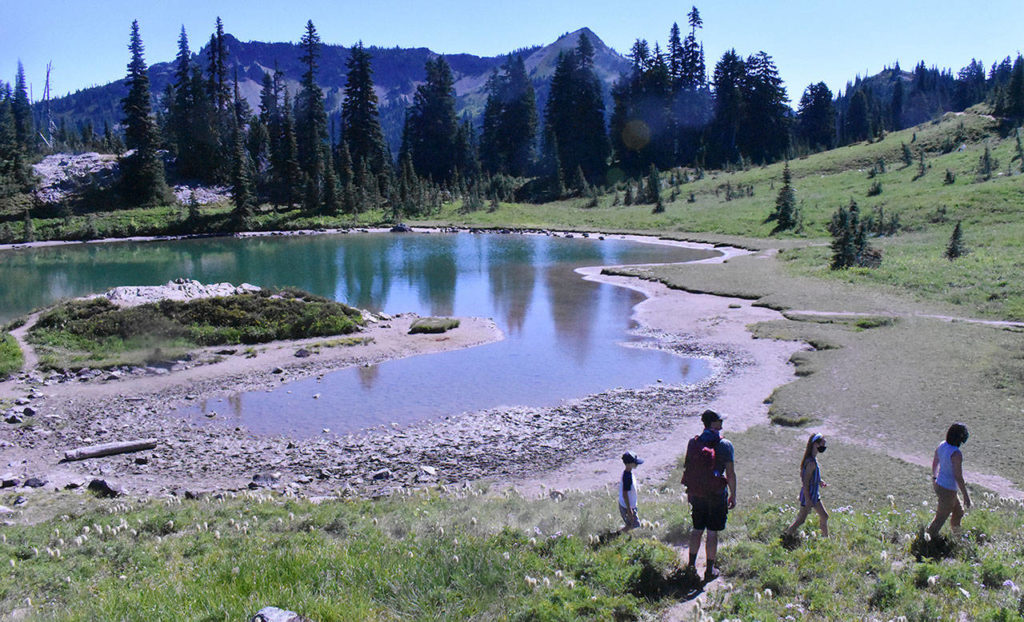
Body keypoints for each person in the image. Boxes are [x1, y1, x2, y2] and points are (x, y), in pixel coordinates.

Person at [682, 409, 736, 583]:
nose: (722, 423)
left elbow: (688, 469)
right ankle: (710, 569)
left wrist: (690, 492)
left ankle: (691, 566)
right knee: (712, 532)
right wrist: (733, 495)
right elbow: (730, 473)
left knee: (697, 529)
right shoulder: (725, 444)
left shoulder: (693, 442)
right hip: (717, 494)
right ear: (713, 424)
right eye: (720, 421)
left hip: (697, 493)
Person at [926, 423, 971, 538]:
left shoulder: (942, 445)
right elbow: (958, 476)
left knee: (959, 512)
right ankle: (927, 541)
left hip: (941, 485)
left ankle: (957, 538)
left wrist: (934, 478)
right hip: (948, 489)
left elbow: (935, 462)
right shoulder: (956, 454)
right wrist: (966, 496)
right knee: (940, 518)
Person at [784, 433, 830, 538]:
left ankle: (825, 538)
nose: (823, 447)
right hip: (809, 495)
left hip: (813, 495)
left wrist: (820, 482)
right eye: (822, 444)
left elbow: (812, 477)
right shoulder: (811, 463)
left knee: (824, 516)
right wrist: (808, 500)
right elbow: (805, 482)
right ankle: (787, 535)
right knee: (801, 520)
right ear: (815, 444)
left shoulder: (811, 460)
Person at [618, 451, 644, 532]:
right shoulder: (627, 477)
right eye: (635, 462)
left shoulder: (629, 473)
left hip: (629, 506)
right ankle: (615, 536)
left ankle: (615, 536)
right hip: (627, 507)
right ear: (629, 464)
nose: (636, 464)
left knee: (630, 526)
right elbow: (625, 493)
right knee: (635, 526)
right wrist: (629, 510)